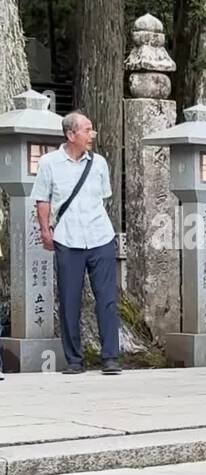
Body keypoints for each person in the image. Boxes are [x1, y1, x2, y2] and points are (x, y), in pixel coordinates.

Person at [32, 111, 120, 375]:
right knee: (69, 300)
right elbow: (42, 200)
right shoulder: (49, 163)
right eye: (86, 130)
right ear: (71, 134)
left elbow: (103, 198)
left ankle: (110, 358)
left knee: (107, 299)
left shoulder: (100, 163)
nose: (91, 135)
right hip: (67, 239)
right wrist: (46, 231)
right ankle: (74, 360)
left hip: (100, 236)